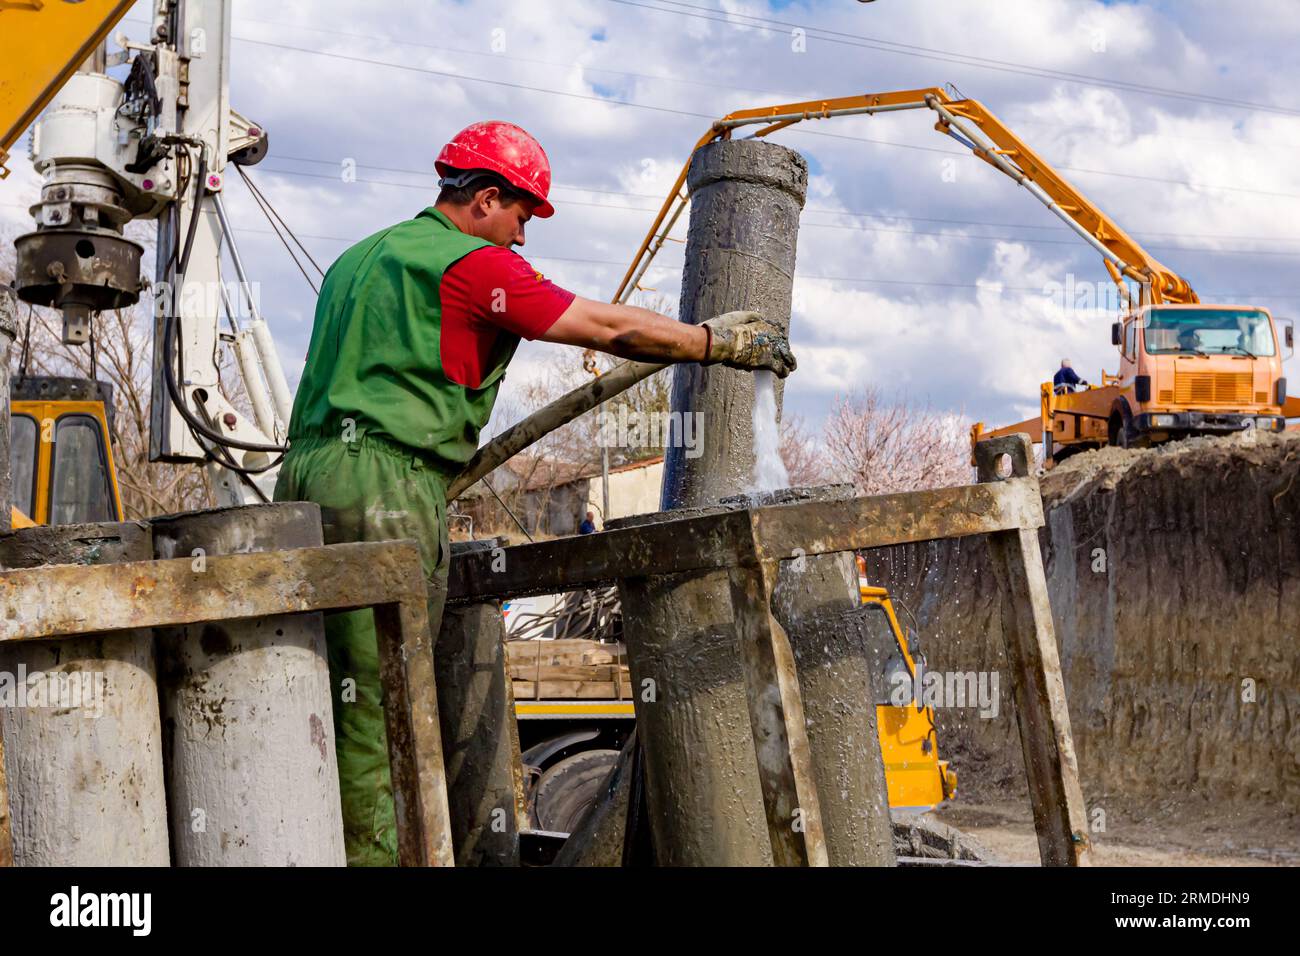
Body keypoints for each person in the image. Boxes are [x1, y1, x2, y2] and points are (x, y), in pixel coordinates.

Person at [273, 121, 795, 866]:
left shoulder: (357, 259)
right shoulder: (469, 265)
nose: (521, 238)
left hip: (303, 479)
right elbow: (608, 328)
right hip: (384, 489)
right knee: (380, 704)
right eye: (521, 216)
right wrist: (717, 343)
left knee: (317, 686)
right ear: (487, 199)